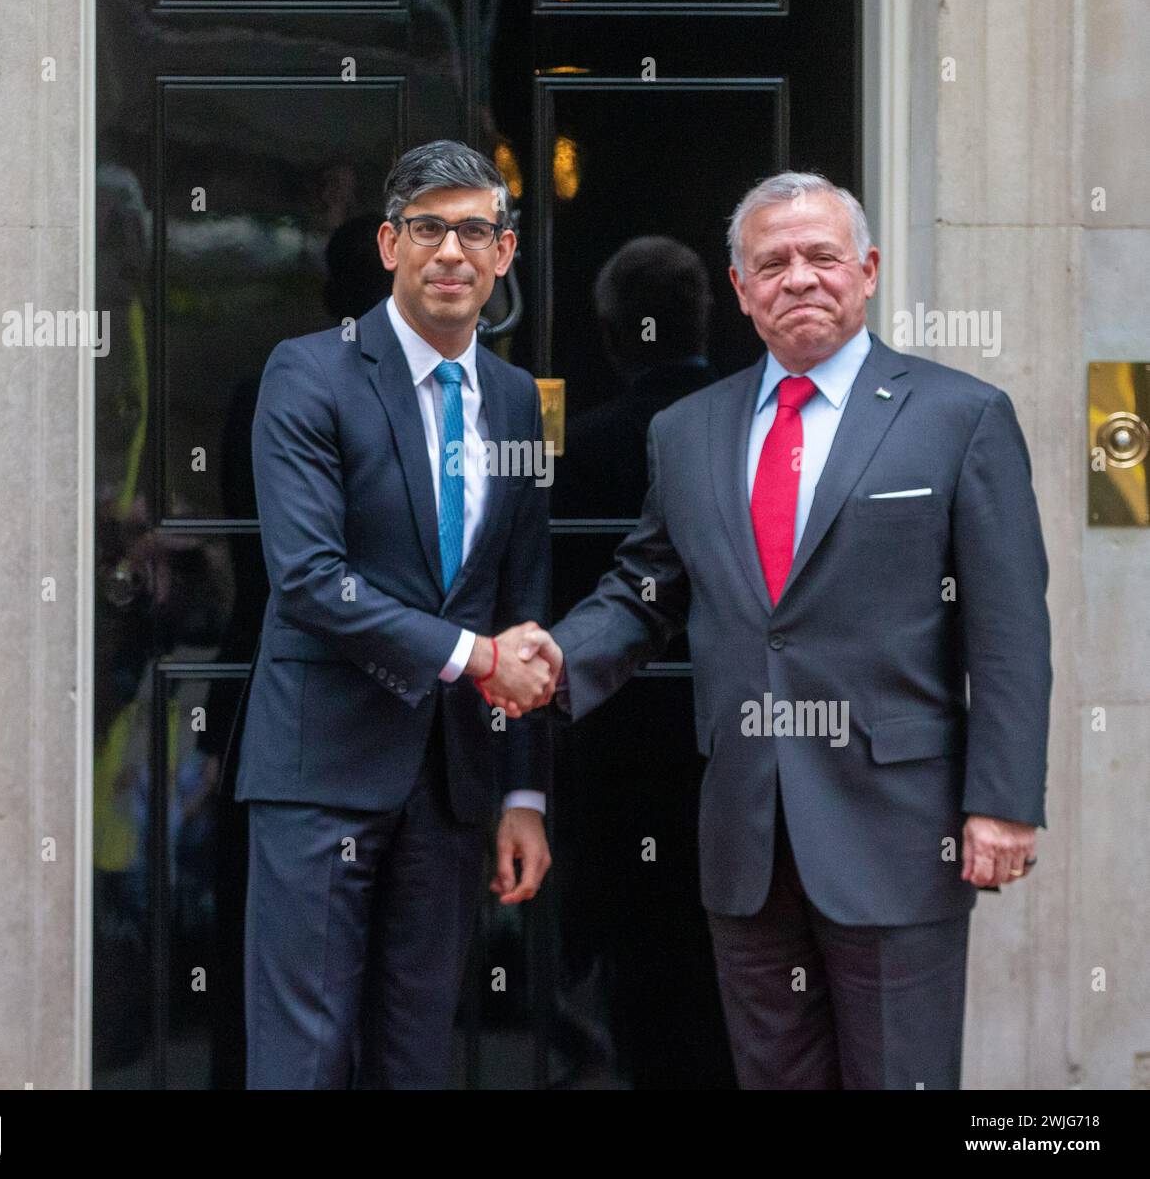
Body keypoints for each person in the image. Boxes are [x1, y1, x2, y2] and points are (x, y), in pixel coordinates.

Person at [513, 171, 1051, 1089]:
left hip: (899, 828)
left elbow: (1007, 630)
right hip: (746, 835)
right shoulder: (688, 431)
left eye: (821, 256)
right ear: (740, 289)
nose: (798, 277)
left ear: (868, 270)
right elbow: (645, 592)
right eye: (773, 262)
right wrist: (557, 658)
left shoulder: (960, 417)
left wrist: (1002, 799)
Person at [233, 140, 557, 1088]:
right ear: (388, 244)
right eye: (427, 229)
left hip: (453, 784)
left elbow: (522, 595)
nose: (450, 251)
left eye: (474, 231)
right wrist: (474, 656)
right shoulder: (308, 375)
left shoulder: (512, 400)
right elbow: (307, 578)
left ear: (504, 255)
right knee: (306, 1055)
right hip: (319, 769)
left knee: (413, 1058)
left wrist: (524, 794)